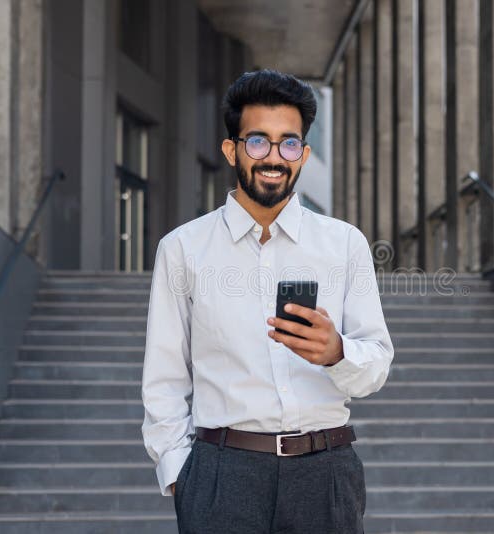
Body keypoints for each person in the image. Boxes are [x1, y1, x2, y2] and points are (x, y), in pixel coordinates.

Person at [140, 68, 394, 534]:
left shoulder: (344, 244)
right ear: (231, 149)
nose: (274, 157)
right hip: (223, 476)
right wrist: (181, 476)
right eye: (258, 141)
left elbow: (376, 365)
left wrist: (338, 353)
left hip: (325, 475)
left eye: (289, 143)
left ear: (304, 154)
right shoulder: (183, 248)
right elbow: (164, 377)